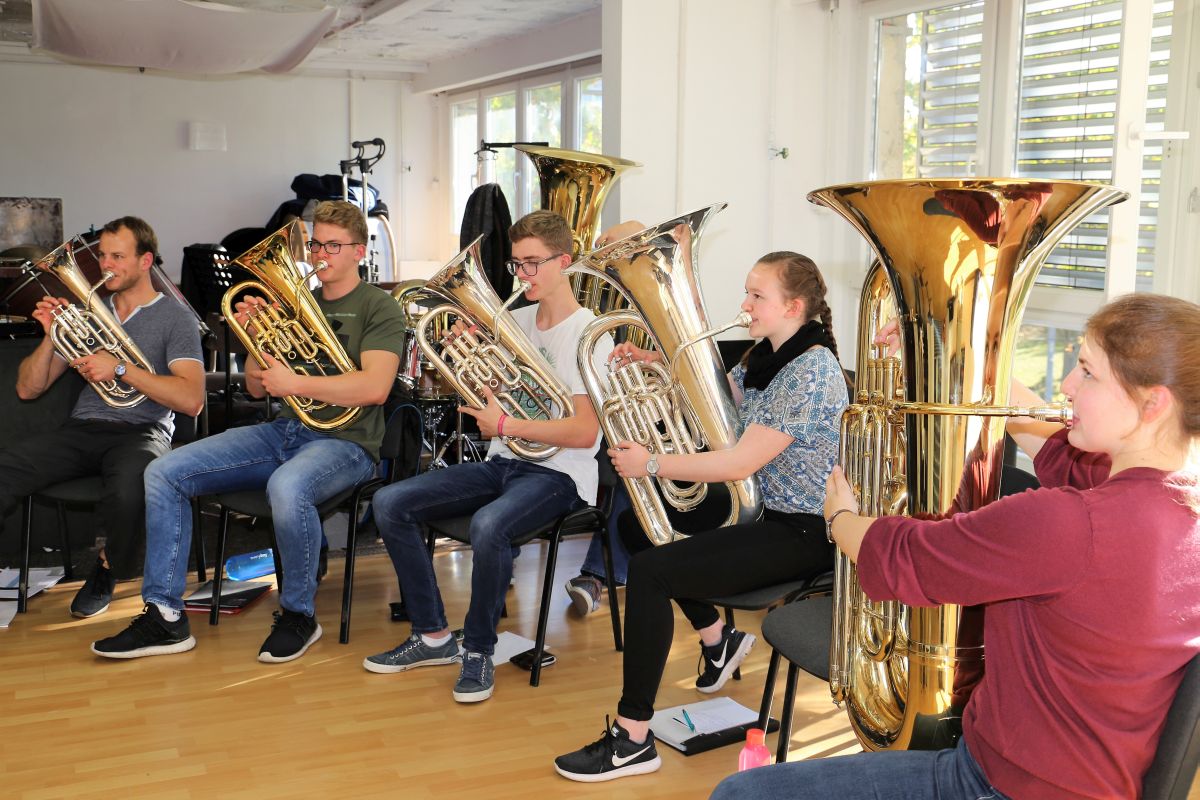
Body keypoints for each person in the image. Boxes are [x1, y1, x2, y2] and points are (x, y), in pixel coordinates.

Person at [711, 293, 1200, 800]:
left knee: (739, 794)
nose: (1068, 387)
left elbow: (906, 555)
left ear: (1154, 402)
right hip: (1088, 781)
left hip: (998, 786)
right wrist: (955, 360)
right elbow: (1054, 448)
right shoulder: (1178, 505)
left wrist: (839, 518)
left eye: (1088, 372)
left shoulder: (1068, 522)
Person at [553, 251, 849, 782]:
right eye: (748, 292)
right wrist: (654, 365)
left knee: (651, 570)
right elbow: (712, 396)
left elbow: (740, 460)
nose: (745, 304)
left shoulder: (812, 371)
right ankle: (719, 639)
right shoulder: (769, 354)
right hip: (761, 510)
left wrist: (652, 462)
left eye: (758, 296)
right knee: (636, 527)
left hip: (802, 529)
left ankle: (632, 738)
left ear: (795, 306)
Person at [91, 200, 406, 663]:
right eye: (316, 244)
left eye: (333, 245)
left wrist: (295, 382)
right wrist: (256, 333)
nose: (321, 254)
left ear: (359, 251)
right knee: (164, 471)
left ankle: (299, 614)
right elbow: (258, 387)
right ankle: (165, 616)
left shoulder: (380, 307)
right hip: (286, 431)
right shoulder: (297, 302)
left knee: (288, 485)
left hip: (348, 442)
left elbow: (376, 388)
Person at [362, 210, 615, 703]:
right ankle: (434, 635)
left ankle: (478, 649)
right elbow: (499, 396)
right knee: (390, 503)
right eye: (516, 265)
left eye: (533, 264)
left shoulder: (591, 334)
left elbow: (585, 432)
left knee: (489, 527)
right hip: (504, 462)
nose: (522, 276)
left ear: (564, 261)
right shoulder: (514, 320)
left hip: (559, 475)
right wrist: (470, 363)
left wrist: (507, 426)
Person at [1, 216, 204, 618]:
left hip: (142, 430)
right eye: (102, 256)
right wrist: (50, 335)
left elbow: (192, 400)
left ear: (146, 261)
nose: (106, 265)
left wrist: (122, 369)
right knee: (4, 468)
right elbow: (29, 389)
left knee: (131, 489)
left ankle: (107, 570)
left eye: (117, 256)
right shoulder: (88, 313)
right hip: (83, 428)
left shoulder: (175, 318)